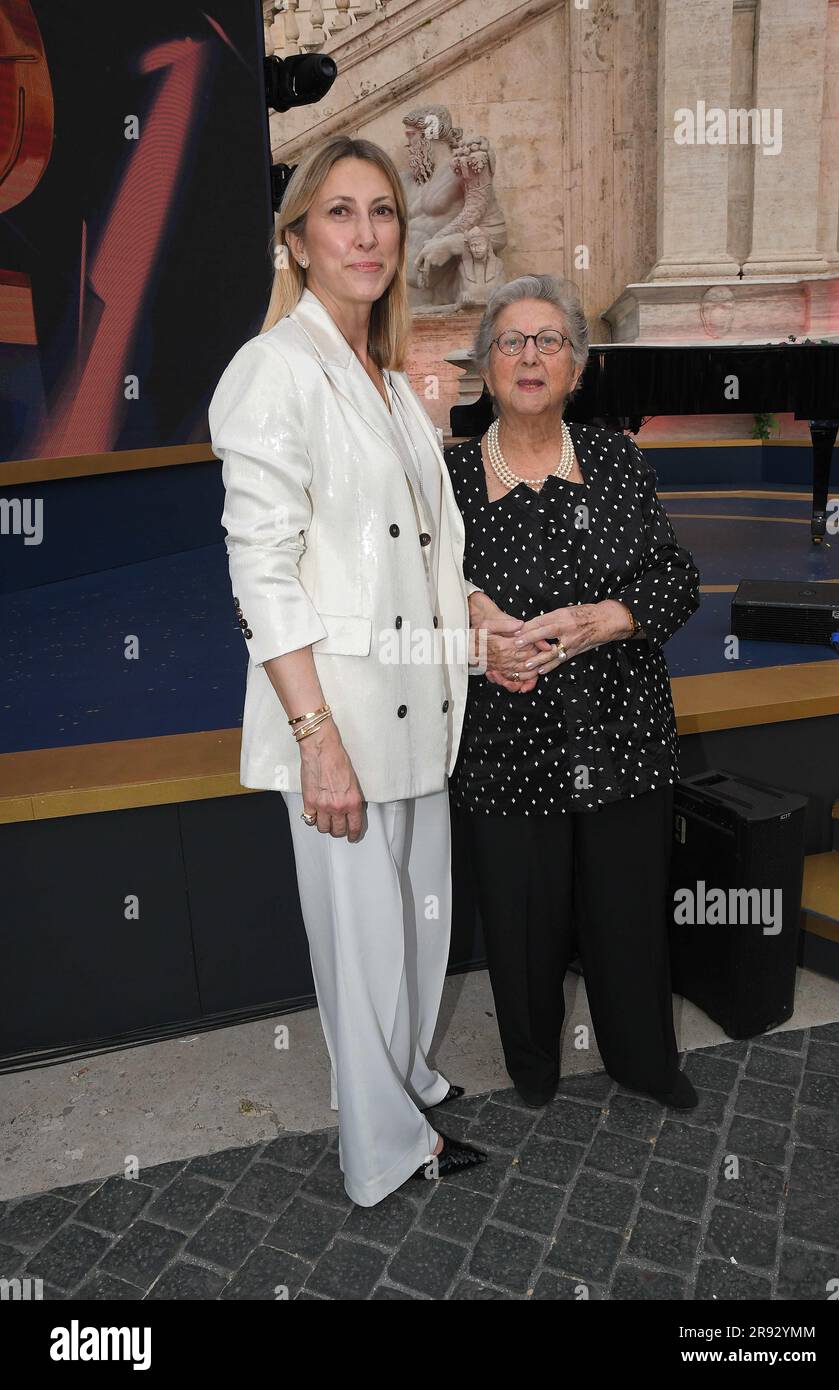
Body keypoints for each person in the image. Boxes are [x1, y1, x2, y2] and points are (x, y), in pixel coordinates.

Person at [208, 135, 487, 1207]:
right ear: (297, 239)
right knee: (363, 944)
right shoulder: (274, 370)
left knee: (417, 920)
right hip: (339, 715)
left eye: (381, 212)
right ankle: (381, 1148)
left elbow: (426, 542)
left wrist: (476, 618)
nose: (365, 233)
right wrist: (315, 739)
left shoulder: (383, 375)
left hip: (418, 700)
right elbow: (259, 571)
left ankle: (406, 1079)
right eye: (339, 213)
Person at [444, 273, 701, 1109]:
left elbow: (675, 578)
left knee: (627, 917)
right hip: (505, 749)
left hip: (622, 737)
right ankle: (534, 1071)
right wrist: (470, 633)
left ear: (577, 367)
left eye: (548, 340)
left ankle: (644, 1061)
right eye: (510, 341)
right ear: (485, 366)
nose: (529, 355)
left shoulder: (619, 460)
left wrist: (609, 617)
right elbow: (404, 606)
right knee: (523, 932)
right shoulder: (444, 485)